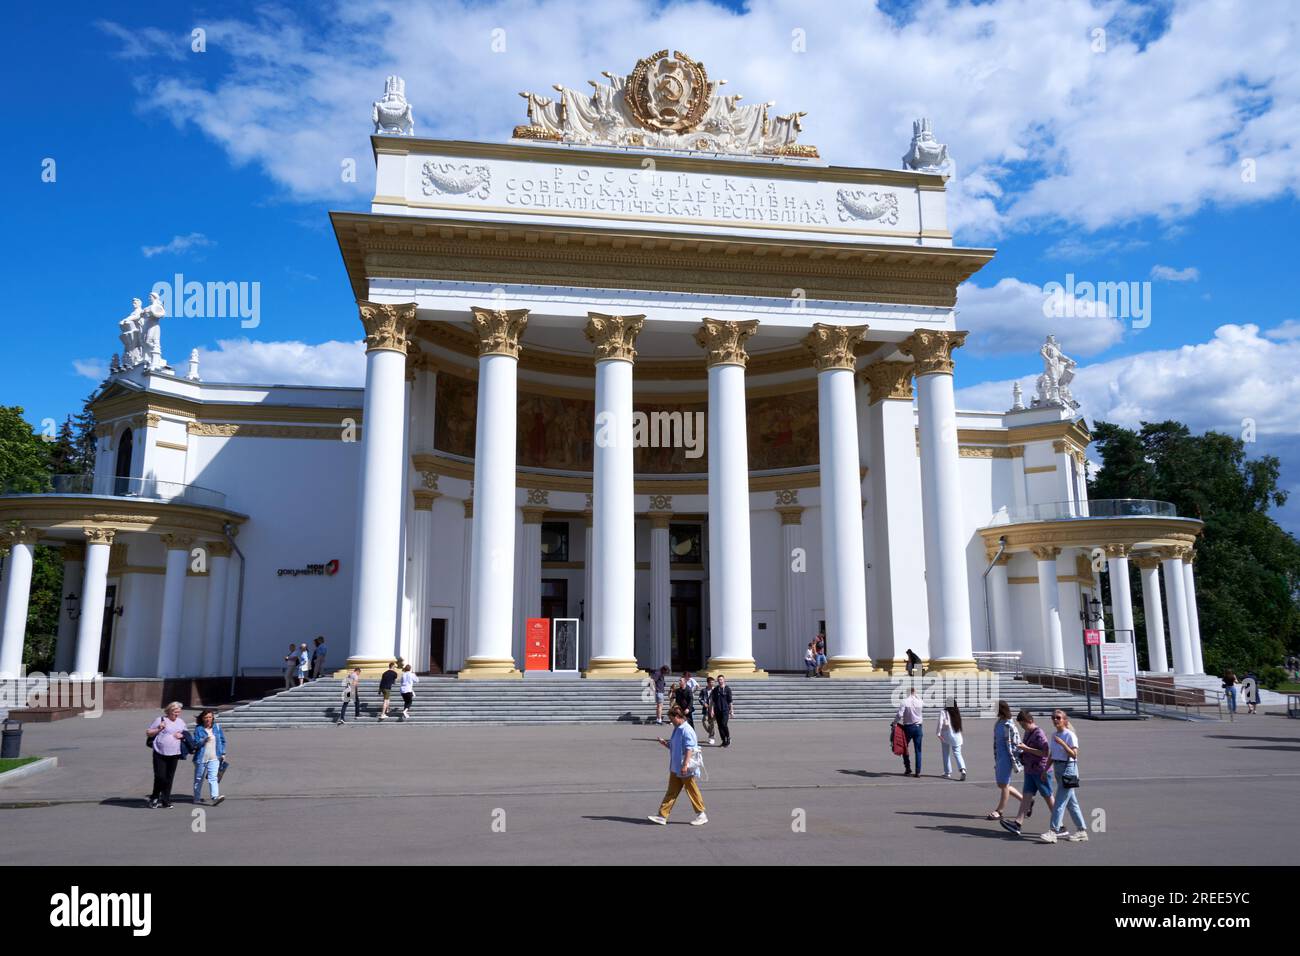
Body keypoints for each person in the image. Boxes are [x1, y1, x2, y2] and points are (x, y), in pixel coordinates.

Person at [648, 706, 707, 826]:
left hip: (684, 767)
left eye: (671, 719)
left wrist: (685, 765)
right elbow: (675, 746)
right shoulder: (678, 728)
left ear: (677, 717)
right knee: (672, 792)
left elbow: (690, 749)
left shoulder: (686, 730)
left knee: (692, 790)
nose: (671, 721)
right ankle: (662, 816)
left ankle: (701, 814)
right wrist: (665, 744)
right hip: (676, 767)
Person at [999, 710, 1054, 836]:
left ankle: (1059, 825)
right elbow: (1026, 749)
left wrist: (1026, 749)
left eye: (1023, 725)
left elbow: (1045, 753)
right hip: (1030, 770)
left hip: (1041, 771)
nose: (1023, 727)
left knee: (1048, 797)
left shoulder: (1039, 734)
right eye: (1021, 725)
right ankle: (1017, 824)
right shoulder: (1028, 732)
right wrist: (1020, 753)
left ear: (1030, 721)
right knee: (1026, 797)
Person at [1042, 709, 1088, 843]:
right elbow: (1052, 754)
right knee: (1072, 803)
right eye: (1053, 718)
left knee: (1059, 802)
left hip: (1069, 769)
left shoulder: (1069, 735)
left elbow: (1074, 754)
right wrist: (1045, 769)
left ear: (1065, 720)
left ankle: (1053, 831)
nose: (1055, 720)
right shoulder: (1054, 735)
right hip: (1058, 768)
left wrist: (1062, 744)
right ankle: (1081, 831)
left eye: (1058, 718)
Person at [146, 701, 188, 809]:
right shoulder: (160, 720)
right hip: (160, 753)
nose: (177, 714)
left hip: (174, 753)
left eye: (178, 712)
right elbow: (148, 733)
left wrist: (182, 736)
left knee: (169, 778)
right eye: (175, 712)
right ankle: (154, 797)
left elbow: (186, 735)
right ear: (169, 711)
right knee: (160, 776)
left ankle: (165, 800)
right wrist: (159, 728)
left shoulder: (181, 722)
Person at [987, 700, 1024, 821]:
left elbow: (1016, 742)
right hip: (1000, 757)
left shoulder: (1009, 724)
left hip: (1007, 757)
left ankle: (999, 810)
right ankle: (1026, 801)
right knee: (1002, 784)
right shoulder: (999, 722)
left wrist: (1015, 758)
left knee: (1004, 784)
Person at [191, 709, 227, 806]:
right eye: (206, 717)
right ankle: (196, 798)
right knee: (199, 778)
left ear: (213, 718)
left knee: (213, 778)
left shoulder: (217, 727)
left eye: (210, 717)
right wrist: (203, 740)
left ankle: (215, 797)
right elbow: (195, 744)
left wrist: (223, 753)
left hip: (214, 757)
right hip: (201, 758)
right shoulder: (198, 729)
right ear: (202, 718)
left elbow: (223, 741)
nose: (208, 719)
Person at [894, 684, 924, 776]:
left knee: (904, 748)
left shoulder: (904, 701)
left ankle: (908, 768)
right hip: (918, 727)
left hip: (908, 728)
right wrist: (916, 694)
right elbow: (921, 701)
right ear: (915, 692)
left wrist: (895, 723)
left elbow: (899, 714)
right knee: (918, 750)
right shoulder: (920, 701)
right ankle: (918, 771)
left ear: (907, 692)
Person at [936, 698, 966, 780]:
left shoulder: (943, 712)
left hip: (945, 736)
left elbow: (940, 723)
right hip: (957, 736)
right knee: (958, 753)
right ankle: (963, 769)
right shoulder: (957, 712)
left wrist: (938, 733)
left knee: (946, 754)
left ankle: (947, 772)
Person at [712, 675, 734, 748]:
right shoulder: (715, 689)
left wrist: (732, 711)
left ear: (724, 680)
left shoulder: (727, 689)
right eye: (718, 680)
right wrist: (712, 710)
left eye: (721, 679)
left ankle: (728, 737)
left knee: (724, 724)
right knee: (719, 726)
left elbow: (730, 701)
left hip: (725, 710)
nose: (720, 681)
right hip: (717, 710)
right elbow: (713, 701)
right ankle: (723, 741)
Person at [700, 676, 717, 745]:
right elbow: (700, 698)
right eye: (711, 682)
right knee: (704, 721)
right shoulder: (704, 690)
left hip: (715, 708)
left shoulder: (716, 690)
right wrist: (704, 703)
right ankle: (711, 733)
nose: (712, 684)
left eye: (713, 682)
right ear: (707, 683)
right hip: (706, 708)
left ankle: (711, 737)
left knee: (712, 723)